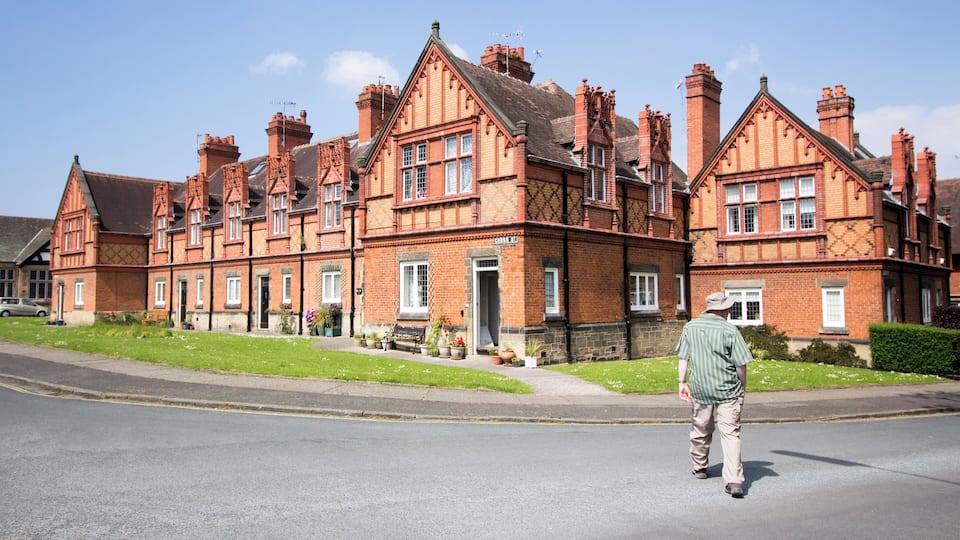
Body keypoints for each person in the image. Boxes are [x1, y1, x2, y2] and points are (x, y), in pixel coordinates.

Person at [675, 292, 754, 498]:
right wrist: (742, 388)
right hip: (728, 390)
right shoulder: (730, 330)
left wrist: (682, 382)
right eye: (728, 308)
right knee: (730, 434)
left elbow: (683, 358)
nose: (729, 311)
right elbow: (740, 364)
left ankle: (700, 467)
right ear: (721, 310)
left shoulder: (690, 327)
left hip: (701, 389)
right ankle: (734, 481)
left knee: (700, 428)